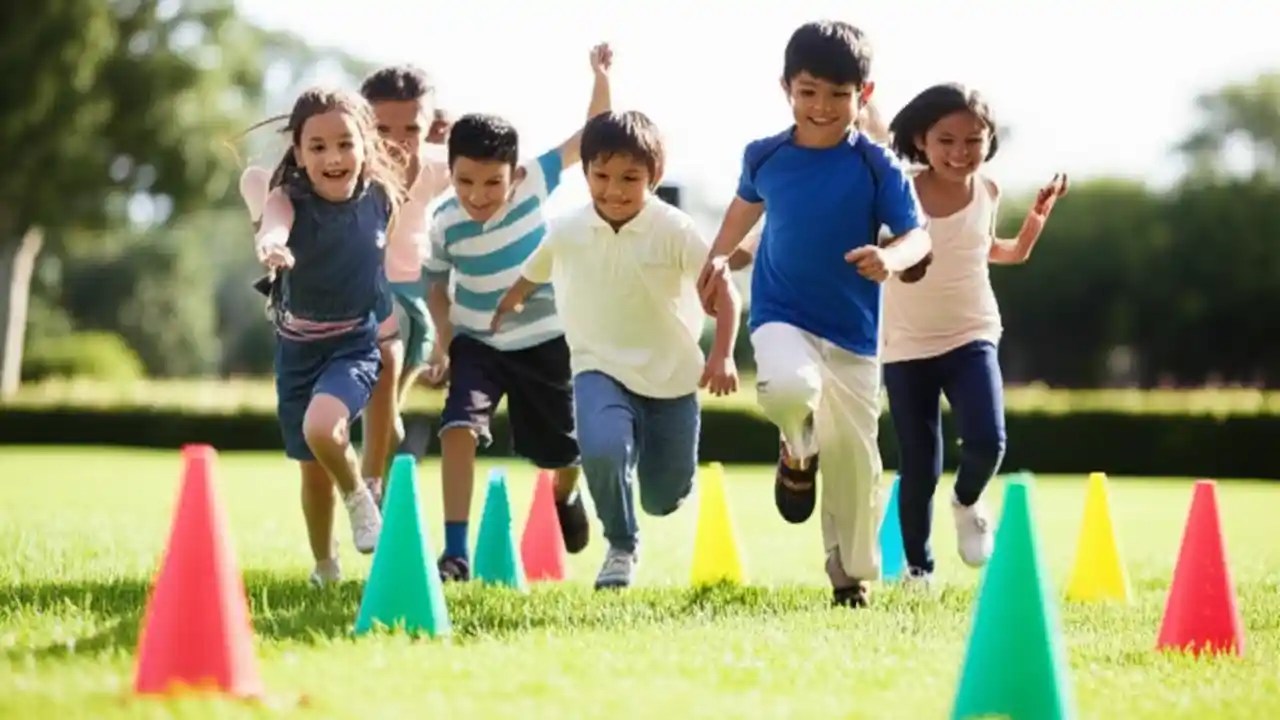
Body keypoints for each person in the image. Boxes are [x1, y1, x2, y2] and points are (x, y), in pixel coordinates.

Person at [696, 20, 931, 608]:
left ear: (864, 95)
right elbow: (740, 214)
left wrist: (890, 256)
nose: (822, 107)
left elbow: (918, 238)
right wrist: (718, 260)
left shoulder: (878, 166)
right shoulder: (765, 155)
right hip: (781, 312)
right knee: (784, 388)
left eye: (838, 94)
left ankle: (847, 575)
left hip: (853, 331)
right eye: (808, 92)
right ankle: (797, 447)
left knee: (855, 459)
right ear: (786, 88)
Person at [491, 110, 741, 589]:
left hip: (671, 379)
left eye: (630, 178)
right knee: (603, 448)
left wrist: (723, 354)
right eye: (600, 176)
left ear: (654, 177)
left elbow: (725, 290)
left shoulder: (675, 229)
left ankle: (645, 503)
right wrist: (507, 304)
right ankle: (621, 546)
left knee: (664, 497)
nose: (613, 189)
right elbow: (533, 271)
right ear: (584, 173)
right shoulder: (568, 229)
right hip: (597, 366)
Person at [422, 43, 614, 582]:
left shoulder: (535, 182)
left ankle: (564, 495)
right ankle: (455, 553)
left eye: (491, 182)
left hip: (546, 341)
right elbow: (434, 280)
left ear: (513, 172)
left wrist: (600, 77)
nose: (477, 196)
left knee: (561, 451)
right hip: (477, 344)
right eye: (464, 181)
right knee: (457, 426)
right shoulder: (443, 222)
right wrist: (443, 337)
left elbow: (594, 135)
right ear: (451, 171)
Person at [880, 83, 1068, 585]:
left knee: (988, 441)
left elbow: (995, 252)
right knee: (919, 466)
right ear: (921, 140)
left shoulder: (987, 190)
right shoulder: (899, 191)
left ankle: (966, 502)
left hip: (972, 333)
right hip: (905, 343)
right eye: (946, 140)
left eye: (974, 140)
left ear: (989, 141)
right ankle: (918, 570)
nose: (961, 152)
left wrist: (1033, 223)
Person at [251, 86, 419, 587]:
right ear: (299, 154)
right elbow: (273, 225)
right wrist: (270, 243)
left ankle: (359, 496)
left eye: (345, 143)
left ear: (366, 143)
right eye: (318, 147)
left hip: (353, 346)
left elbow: (420, 167)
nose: (333, 157)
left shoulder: (382, 198)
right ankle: (325, 564)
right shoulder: (288, 199)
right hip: (297, 351)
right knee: (310, 470)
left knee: (322, 429)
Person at [357, 65, 452, 504]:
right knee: (383, 413)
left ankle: (372, 493)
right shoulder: (353, 172)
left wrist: (451, 133)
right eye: (381, 128)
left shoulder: (434, 169)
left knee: (385, 413)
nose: (395, 140)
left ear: (429, 126)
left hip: (411, 305)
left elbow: (491, 163)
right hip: (364, 300)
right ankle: (378, 494)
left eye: (410, 128)